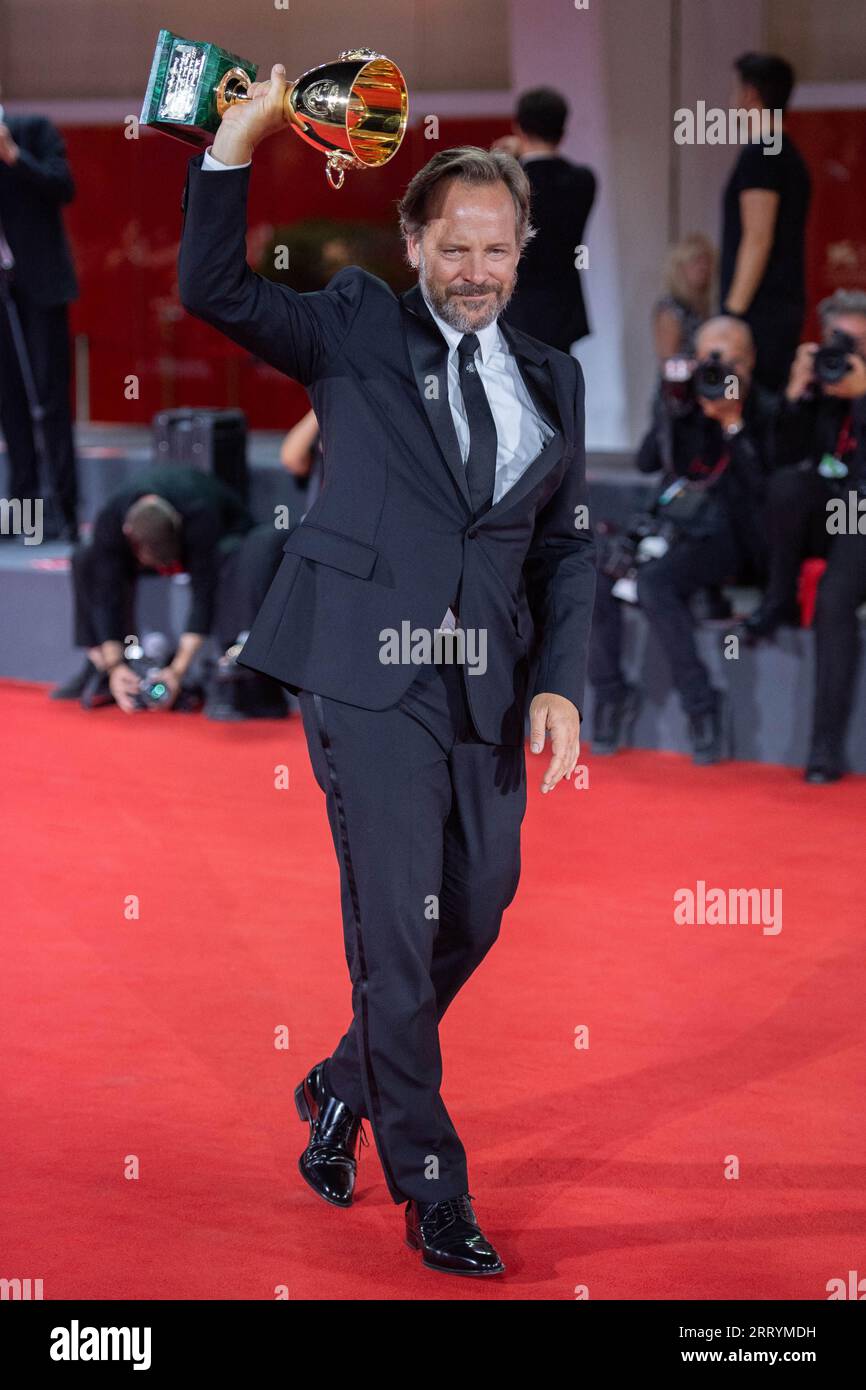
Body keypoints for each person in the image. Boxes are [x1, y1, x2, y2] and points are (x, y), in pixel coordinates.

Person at [177, 64, 597, 1278]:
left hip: (486, 681)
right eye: (455, 245)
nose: (476, 270)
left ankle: (338, 1076)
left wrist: (560, 681)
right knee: (402, 933)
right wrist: (234, 146)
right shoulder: (357, 320)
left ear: (523, 252)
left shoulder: (551, 378)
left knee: (478, 907)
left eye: (499, 250)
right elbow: (212, 287)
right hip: (365, 673)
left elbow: (563, 553)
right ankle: (429, 1184)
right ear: (413, 239)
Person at [589, 317, 775, 764]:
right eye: (706, 358)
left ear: (748, 361)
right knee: (594, 571)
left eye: (726, 360)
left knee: (655, 584)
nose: (715, 370)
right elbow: (649, 460)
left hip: (727, 534)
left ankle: (701, 703)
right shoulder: (684, 400)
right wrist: (672, 409)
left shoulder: (766, 408)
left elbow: (763, 493)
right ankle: (612, 694)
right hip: (669, 522)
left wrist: (733, 423)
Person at [743, 289, 866, 783]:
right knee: (789, 485)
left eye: (859, 343)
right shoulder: (821, 383)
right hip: (828, 508)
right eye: (841, 341)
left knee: (835, 601)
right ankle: (779, 598)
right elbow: (780, 456)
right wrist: (796, 393)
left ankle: (824, 749)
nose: (848, 354)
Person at [51, 464, 286, 718]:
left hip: (224, 540)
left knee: (228, 553)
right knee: (86, 558)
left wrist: (177, 670)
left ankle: (233, 666)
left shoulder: (198, 511)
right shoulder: (111, 516)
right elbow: (105, 593)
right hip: (155, 542)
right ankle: (100, 670)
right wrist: (115, 666)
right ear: (129, 535)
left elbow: (203, 593)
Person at [0, 81, 79, 539]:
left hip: (41, 288)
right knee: (9, 406)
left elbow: (63, 186)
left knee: (50, 401)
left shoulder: (32, 130)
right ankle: (24, 517)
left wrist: (13, 156)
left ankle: (66, 513)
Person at [719, 52, 811, 392]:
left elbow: (758, 238)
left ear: (749, 95)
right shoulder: (785, 153)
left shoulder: (762, 153)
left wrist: (733, 313)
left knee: (756, 408)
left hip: (761, 315)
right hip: (779, 307)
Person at [494, 86, 596, 352]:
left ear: (519, 127)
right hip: (563, 309)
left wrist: (504, 158)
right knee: (560, 387)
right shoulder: (582, 180)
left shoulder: (508, 182)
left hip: (517, 307)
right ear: (563, 131)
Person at [652, 233, 715, 363]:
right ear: (680, 267)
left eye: (706, 261)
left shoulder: (708, 305)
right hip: (680, 381)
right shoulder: (670, 308)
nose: (703, 267)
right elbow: (668, 361)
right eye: (696, 261)